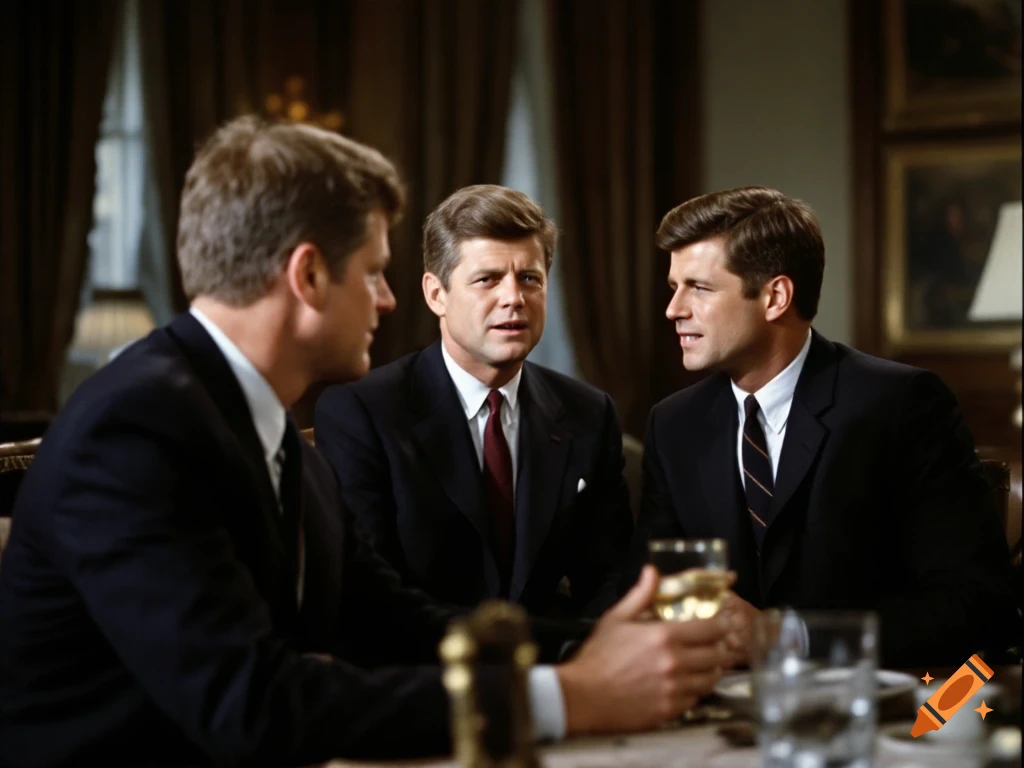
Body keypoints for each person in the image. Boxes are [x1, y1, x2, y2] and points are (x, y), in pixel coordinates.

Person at [0, 117, 730, 768]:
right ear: (309, 274)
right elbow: (250, 704)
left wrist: (591, 653)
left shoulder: (262, 421)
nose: (387, 299)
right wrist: (567, 696)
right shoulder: (135, 426)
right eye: (376, 273)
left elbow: (395, 617)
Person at [624, 186, 1019, 668]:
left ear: (775, 297)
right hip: (713, 709)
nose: (674, 310)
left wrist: (786, 637)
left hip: (877, 709)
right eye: (674, 288)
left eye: (699, 288)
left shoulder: (901, 405)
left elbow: (976, 604)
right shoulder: (674, 424)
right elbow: (649, 592)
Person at [315, 185, 632, 619]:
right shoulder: (361, 413)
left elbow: (610, 582)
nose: (513, 298)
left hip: (567, 668)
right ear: (436, 294)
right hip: (422, 672)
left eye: (530, 279)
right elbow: (373, 601)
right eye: (487, 279)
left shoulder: (589, 413)